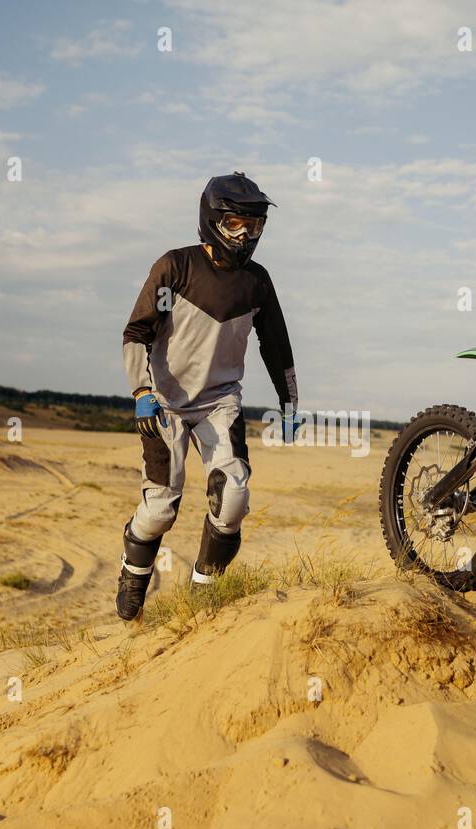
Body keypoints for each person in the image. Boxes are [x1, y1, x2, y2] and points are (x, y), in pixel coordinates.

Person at [116, 172, 299, 621]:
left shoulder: (258, 282)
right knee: (159, 509)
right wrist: (142, 390)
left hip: (219, 403)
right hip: (165, 403)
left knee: (233, 498)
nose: (246, 235)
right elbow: (136, 332)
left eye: (254, 227)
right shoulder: (173, 267)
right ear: (213, 220)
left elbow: (277, 346)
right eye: (237, 224)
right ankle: (132, 577)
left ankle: (202, 595)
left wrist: (290, 401)